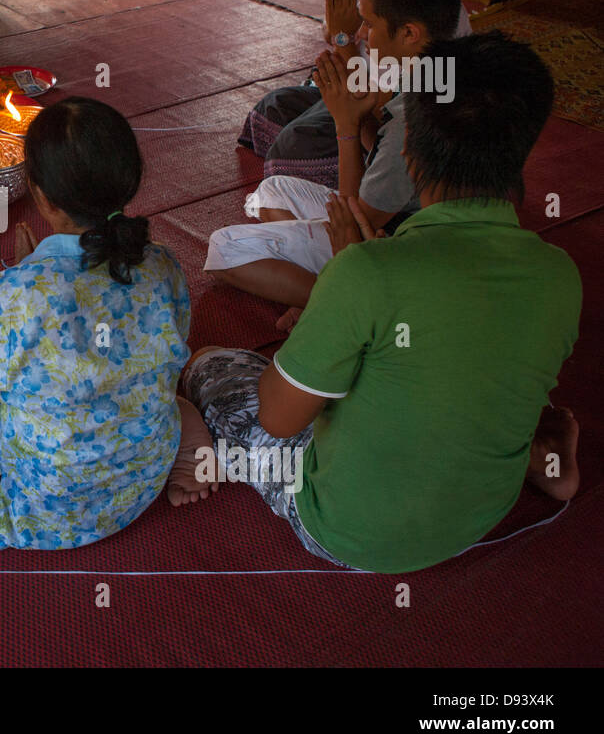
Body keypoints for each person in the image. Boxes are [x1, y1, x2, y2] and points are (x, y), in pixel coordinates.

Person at [183, 32, 581, 573]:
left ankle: (537, 454)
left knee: (210, 366)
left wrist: (337, 289)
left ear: (409, 154)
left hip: (350, 532)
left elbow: (278, 418)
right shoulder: (560, 275)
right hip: (481, 513)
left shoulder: (367, 272)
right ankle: (540, 456)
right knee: (474, 368)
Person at [0, 97, 215, 552]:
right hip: (139, 480)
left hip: (50, 507)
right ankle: (185, 435)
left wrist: (26, 284)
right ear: (127, 182)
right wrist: (34, 281)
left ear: (39, 195)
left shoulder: (12, 297)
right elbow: (162, 344)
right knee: (158, 385)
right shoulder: (163, 265)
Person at [206, 0, 462, 312]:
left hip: (402, 246)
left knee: (224, 247)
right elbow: (375, 126)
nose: (363, 35)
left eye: (369, 26)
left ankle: (336, 302)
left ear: (408, 32)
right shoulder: (443, 68)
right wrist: (354, 105)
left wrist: (346, 125)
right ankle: (320, 278)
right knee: (273, 189)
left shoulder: (415, 118)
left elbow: (355, 226)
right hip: (404, 221)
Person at [240, 0, 469, 187]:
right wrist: (340, 33)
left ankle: (357, 175)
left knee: (293, 147)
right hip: (359, 90)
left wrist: (343, 43)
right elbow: (335, 29)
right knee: (271, 108)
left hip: (382, 119)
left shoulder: (431, 27)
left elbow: (377, 107)